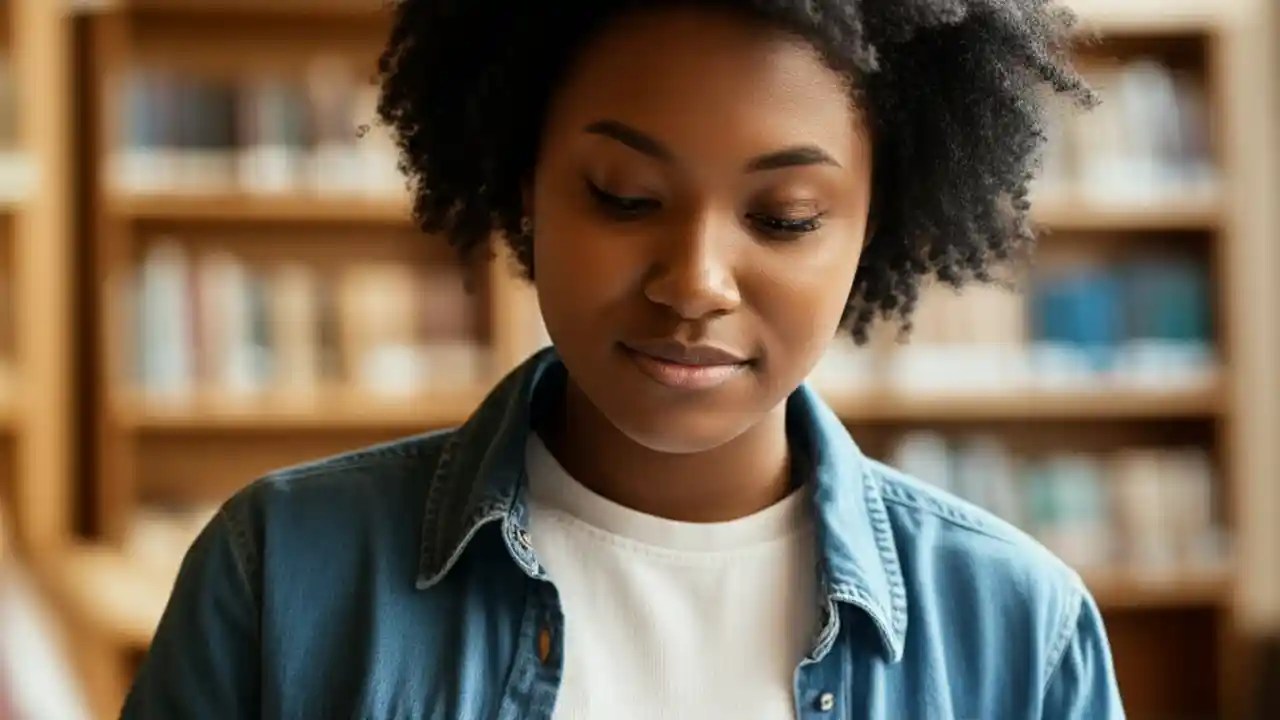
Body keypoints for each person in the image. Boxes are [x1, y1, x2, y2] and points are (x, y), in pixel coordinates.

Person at [124, 1, 1124, 718]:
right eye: (624, 197)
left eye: (785, 217)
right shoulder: (280, 575)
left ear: (876, 223)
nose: (694, 283)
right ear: (525, 186)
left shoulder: (1019, 634)